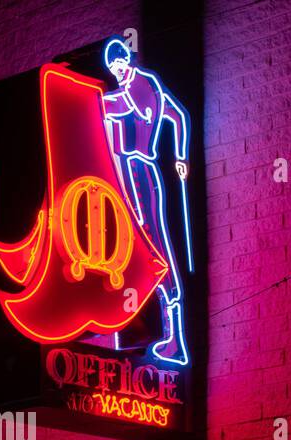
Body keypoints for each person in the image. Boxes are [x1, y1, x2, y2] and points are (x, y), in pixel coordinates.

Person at [101, 37, 191, 366]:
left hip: (139, 170)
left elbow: (121, 103)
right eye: (113, 69)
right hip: (138, 171)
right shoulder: (139, 86)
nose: (118, 72)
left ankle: (174, 338)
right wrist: (180, 156)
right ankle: (168, 333)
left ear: (128, 60)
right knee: (149, 245)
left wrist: (95, 101)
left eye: (120, 65)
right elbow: (178, 115)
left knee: (154, 246)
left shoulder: (140, 84)